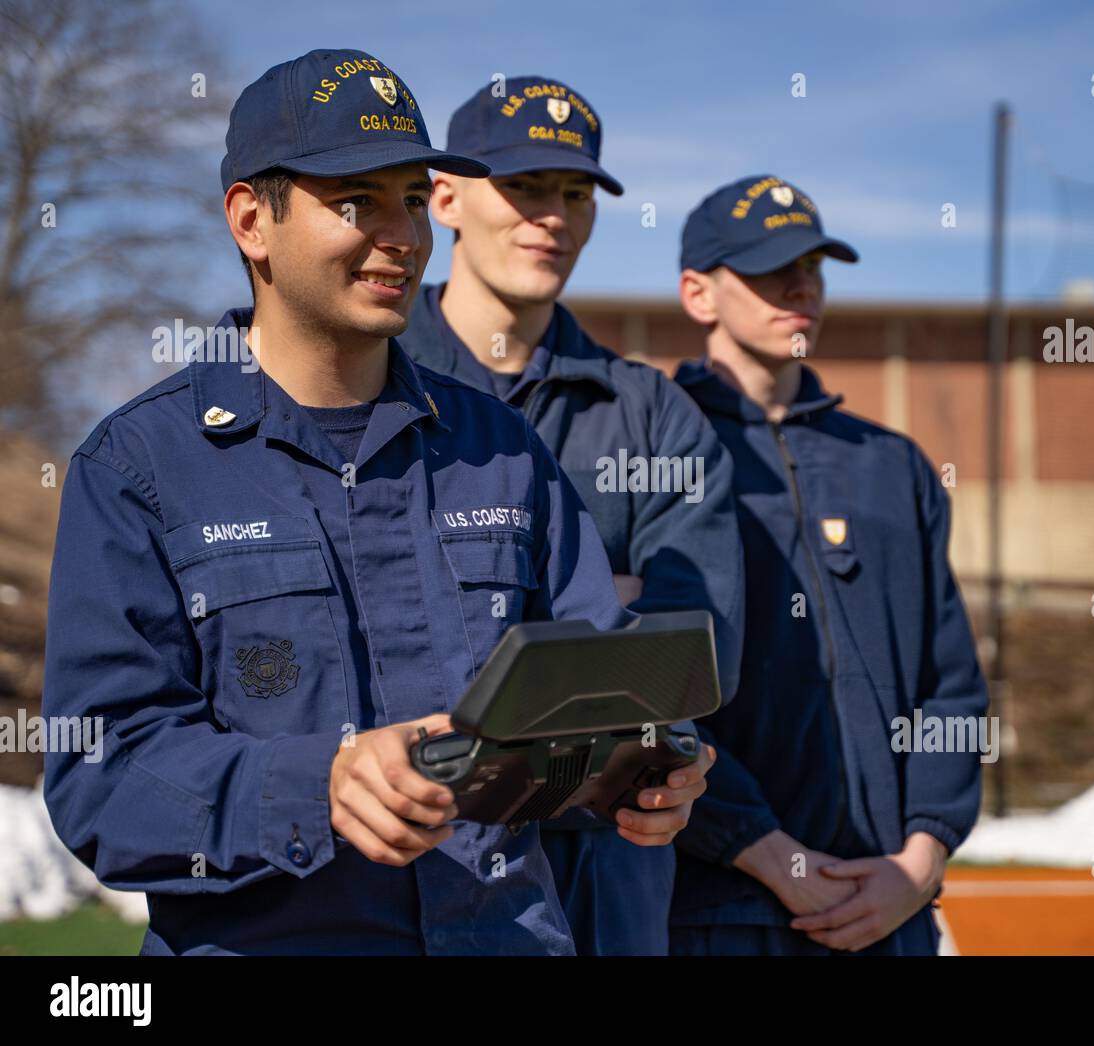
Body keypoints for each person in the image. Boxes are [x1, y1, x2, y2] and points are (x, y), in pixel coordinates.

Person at [40, 49, 710, 956]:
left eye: (409, 196)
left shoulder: (504, 451)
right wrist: (319, 782)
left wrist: (650, 763)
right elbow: (101, 775)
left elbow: (599, 688)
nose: (401, 233)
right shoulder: (138, 468)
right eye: (356, 201)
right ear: (251, 220)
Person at [399, 76, 743, 955]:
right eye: (522, 186)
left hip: (609, 865)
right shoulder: (375, 385)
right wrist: (596, 616)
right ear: (445, 198)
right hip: (417, 850)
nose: (552, 214)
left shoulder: (653, 412)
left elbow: (699, 653)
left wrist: (510, 623)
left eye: (575, 193)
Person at [669, 175, 989, 955]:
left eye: (812, 265)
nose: (799, 286)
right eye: (767, 268)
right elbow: (645, 695)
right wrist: (765, 850)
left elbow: (947, 687)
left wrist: (920, 860)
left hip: (888, 907)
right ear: (698, 294)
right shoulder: (653, 448)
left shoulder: (891, 464)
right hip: (715, 909)